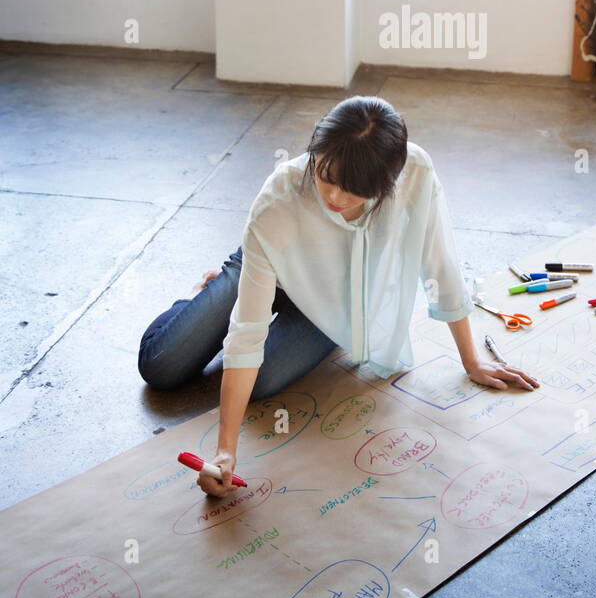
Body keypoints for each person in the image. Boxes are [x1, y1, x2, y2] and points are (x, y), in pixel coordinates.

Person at [138, 95, 538, 499]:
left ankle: (233, 308)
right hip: (269, 267)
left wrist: (471, 361)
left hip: (331, 300)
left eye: (352, 191)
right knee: (160, 366)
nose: (333, 196)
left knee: (259, 383)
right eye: (326, 176)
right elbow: (246, 333)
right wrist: (225, 452)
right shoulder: (280, 198)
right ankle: (203, 295)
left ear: (385, 184)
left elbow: (440, 266)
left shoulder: (415, 172)